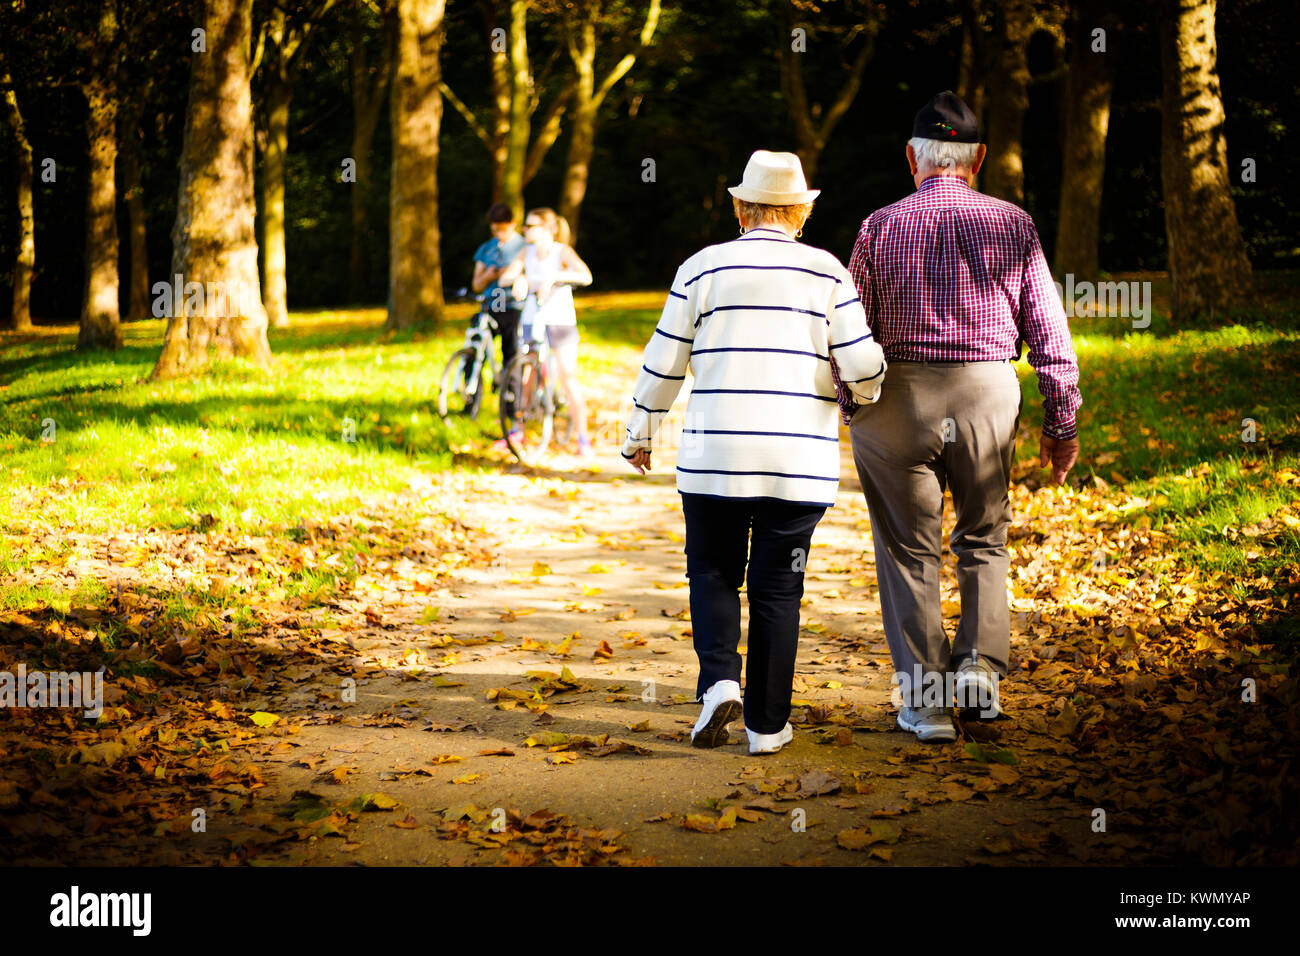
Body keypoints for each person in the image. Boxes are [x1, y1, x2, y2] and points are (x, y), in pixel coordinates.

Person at [622, 150, 886, 755]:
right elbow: (864, 363)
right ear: (800, 212)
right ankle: (767, 726)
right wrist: (865, 395)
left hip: (715, 457)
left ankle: (718, 682)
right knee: (777, 589)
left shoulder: (700, 268)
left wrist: (641, 432)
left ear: (741, 206)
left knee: (712, 570)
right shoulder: (827, 273)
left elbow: (665, 360)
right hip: (797, 464)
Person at [840, 91, 1082, 743]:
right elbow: (1049, 333)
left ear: (913, 160)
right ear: (976, 159)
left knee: (907, 549)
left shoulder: (879, 226)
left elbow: (850, 330)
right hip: (985, 394)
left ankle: (926, 705)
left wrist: (849, 407)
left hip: (898, 399)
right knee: (983, 537)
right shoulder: (1014, 224)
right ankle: (977, 673)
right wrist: (1061, 423)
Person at [499, 208, 594, 455]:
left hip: (560, 319)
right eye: (526, 226)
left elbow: (586, 276)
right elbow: (505, 278)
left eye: (531, 226)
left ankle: (583, 438)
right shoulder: (526, 252)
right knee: (526, 374)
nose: (525, 230)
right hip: (534, 318)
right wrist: (519, 278)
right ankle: (517, 430)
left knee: (567, 376)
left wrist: (554, 277)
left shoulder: (560, 250)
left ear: (548, 229)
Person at [471, 203, 525, 432]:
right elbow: (476, 283)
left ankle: (513, 411)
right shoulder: (487, 248)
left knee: (510, 357)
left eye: (503, 229)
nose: (499, 234)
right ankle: (470, 399)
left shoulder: (523, 246)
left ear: (513, 224)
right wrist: (489, 274)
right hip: (490, 306)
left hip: (513, 307)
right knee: (474, 346)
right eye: (495, 230)